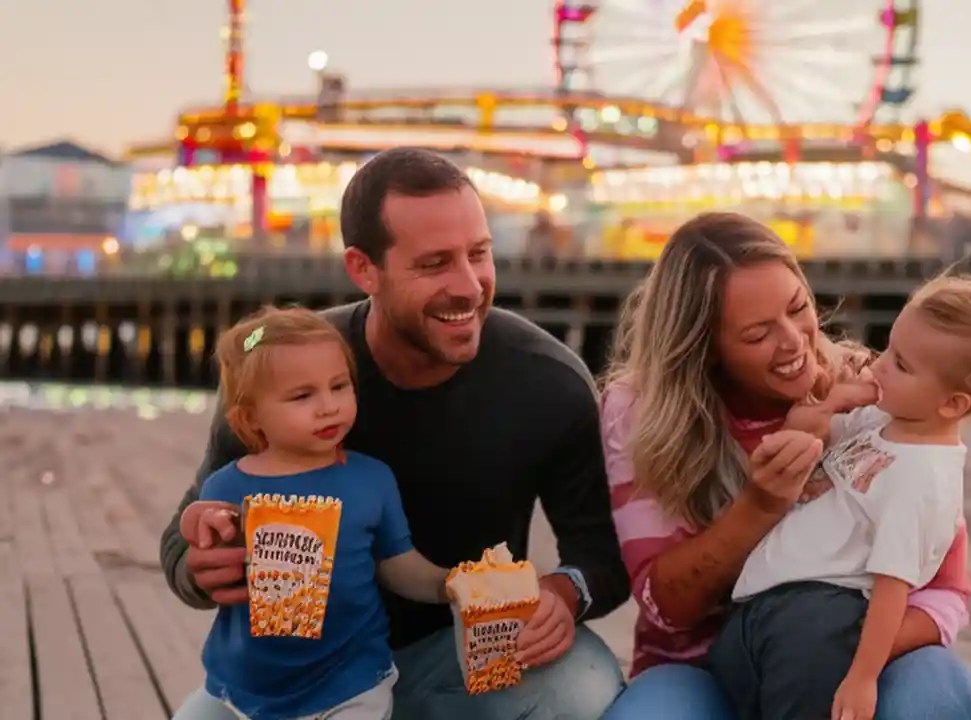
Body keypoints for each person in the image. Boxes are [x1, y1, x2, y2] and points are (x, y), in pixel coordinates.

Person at [159, 147, 631, 720]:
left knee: (585, 681)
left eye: (478, 254)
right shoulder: (292, 372)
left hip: (457, 660)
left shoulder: (548, 381)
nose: (469, 286)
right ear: (363, 269)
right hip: (289, 680)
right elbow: (186, 533)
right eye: (434, 264)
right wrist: (198, 568)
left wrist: (564, 592)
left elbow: (601, 557)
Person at [598, 212, 971, 719]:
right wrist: (762, 503)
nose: (795, 342)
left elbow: (948, 590)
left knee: (934, 691)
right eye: (758, 334)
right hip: (701, 667)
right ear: (703, 349)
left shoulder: (866, 389)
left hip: (843, 648)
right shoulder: (639, 411)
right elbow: (664, 607)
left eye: (799, 307)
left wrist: (844, 656)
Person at [708, 274, 971, 720]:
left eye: (900, 365)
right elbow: (813, 433)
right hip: (758, 612)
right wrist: (836, 401)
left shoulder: (921, 476)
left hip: (821, 615)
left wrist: (861, 677)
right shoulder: (881, 424)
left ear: (952, 405)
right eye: (887, 348)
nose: (876, 366)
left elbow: (892, 587)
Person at [181, 306, 454, 719]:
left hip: (349, 682)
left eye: (339, 386)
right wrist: (199, 527)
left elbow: (396, 564)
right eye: (302, 395)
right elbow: (202, 545)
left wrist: (447, 584)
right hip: (242, 683)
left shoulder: (371, 479)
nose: (329, 406)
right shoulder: (227, 487)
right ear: (250, 417)